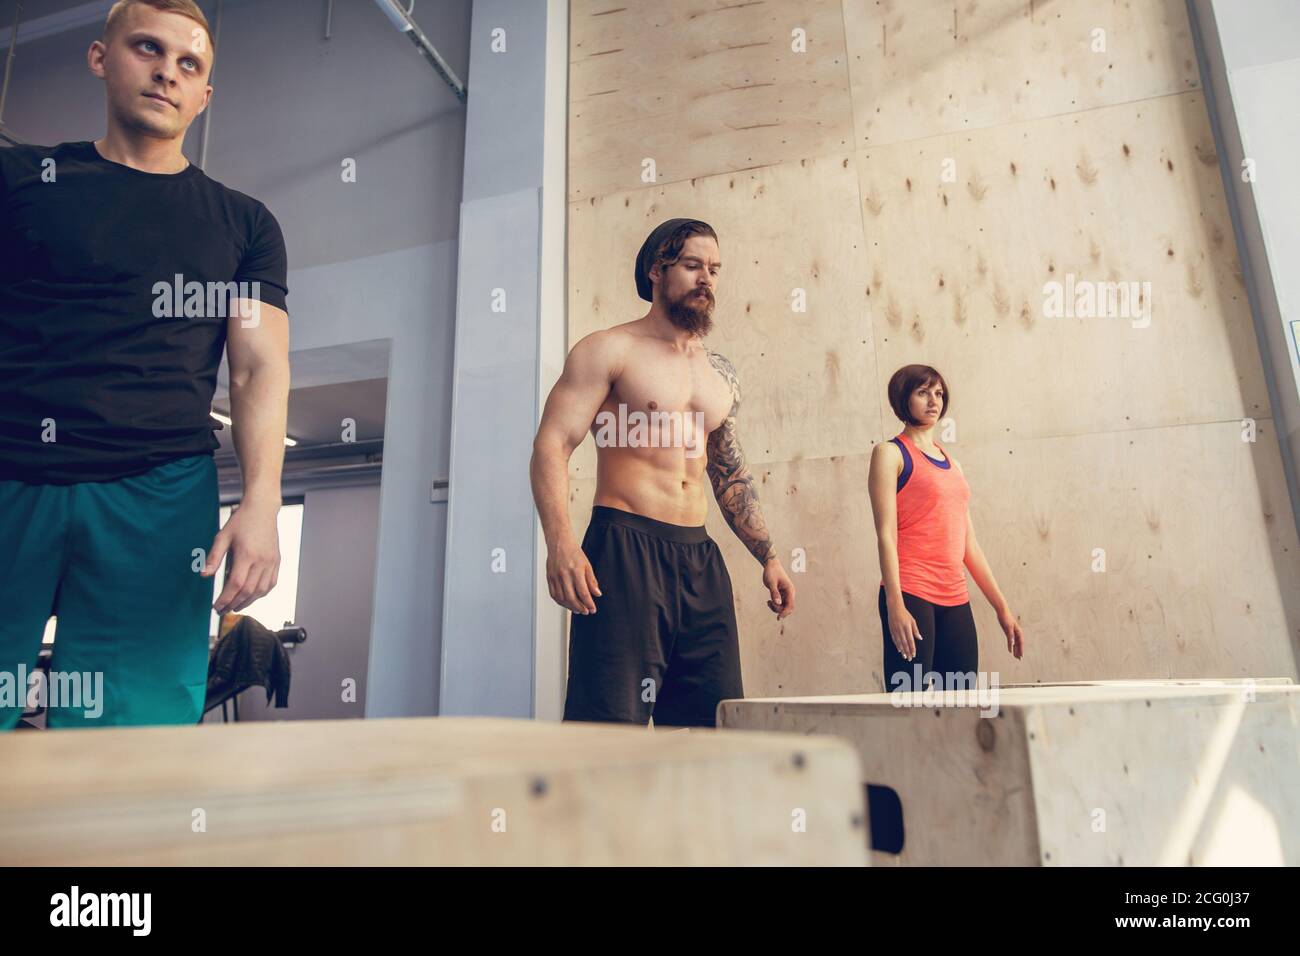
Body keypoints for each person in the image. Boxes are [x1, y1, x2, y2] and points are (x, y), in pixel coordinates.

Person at [0, 0, 290, 729]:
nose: (167, 72)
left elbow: (257, 369)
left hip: (159, 495)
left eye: (188, 64)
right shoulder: (20, 182)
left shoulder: (244, 223)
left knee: (134, 726)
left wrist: (261, 503)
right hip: (11, 473)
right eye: (146, 49)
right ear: (100, 57)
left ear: (204, 94)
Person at [531, 218, 796, 727]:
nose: (707, 279)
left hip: (699, 557)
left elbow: (729, 472)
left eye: (715, 269)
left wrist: (770, 555)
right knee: (608, 728)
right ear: (657, 269)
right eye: (694, 265)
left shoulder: (719, 373)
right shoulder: (609, 349)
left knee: (710, 728)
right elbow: (552, 444)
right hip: (624, 547)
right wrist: (561, 545)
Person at [868, 365, 1025, 692]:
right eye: (922, 392)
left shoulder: (953, 465)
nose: (933, 400)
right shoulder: (890, 454)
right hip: (911, 590)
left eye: (938, 393)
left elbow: (969, 544)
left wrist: (1003, 608)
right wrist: (895, 604)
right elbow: (885, 534)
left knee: (961, 707)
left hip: (954, 595)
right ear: (903, 398)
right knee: (908, 704)